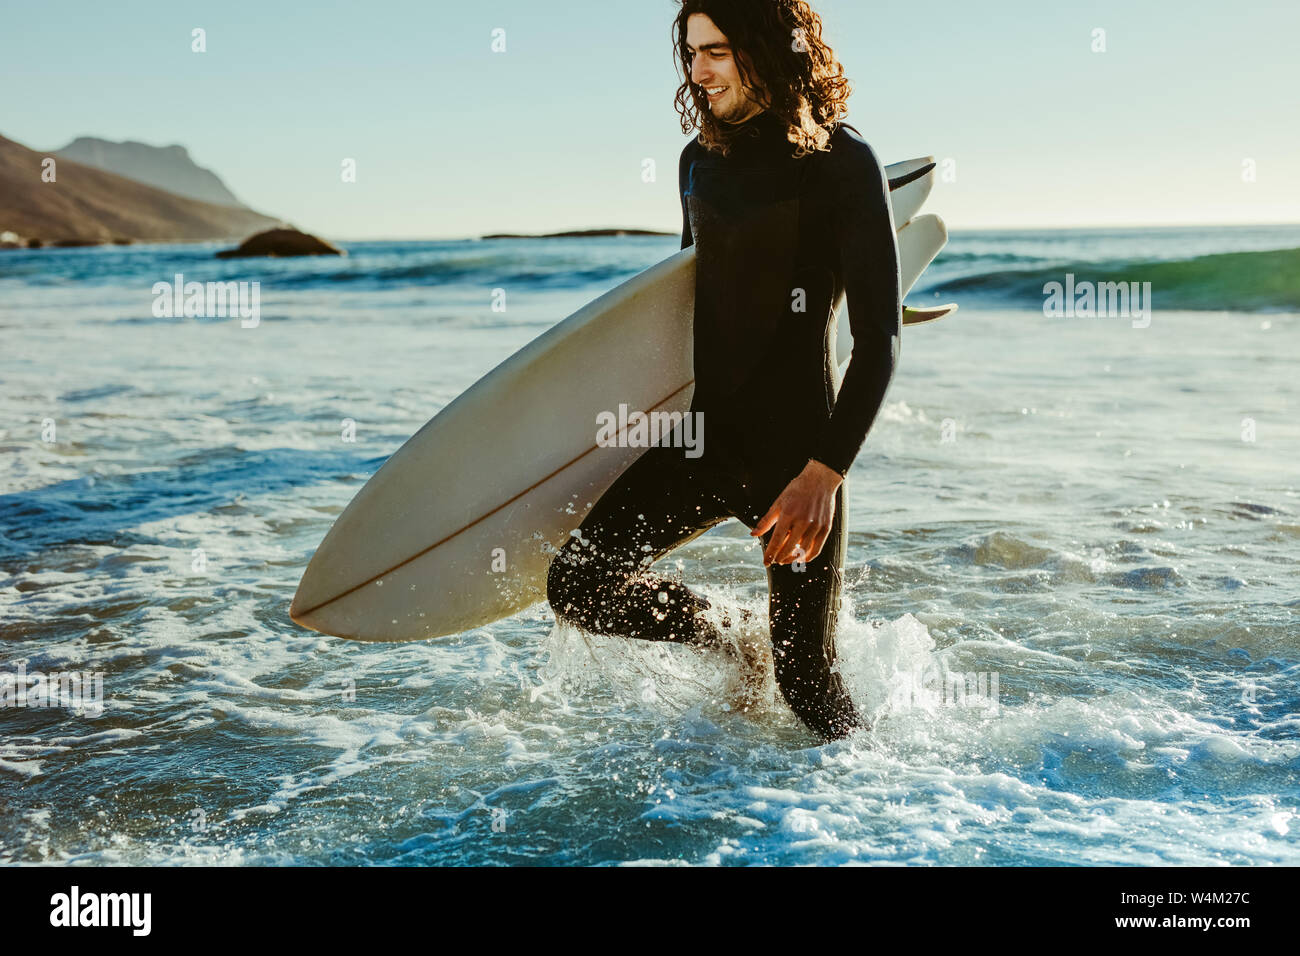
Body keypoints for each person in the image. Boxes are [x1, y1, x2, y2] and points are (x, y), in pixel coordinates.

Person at [546, 0, 901, 741]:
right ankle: (735, 635)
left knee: (807, 684)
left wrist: (823, 475)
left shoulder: (842, 162)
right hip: (705, 439)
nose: (699, 71)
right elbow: (687, 305)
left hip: (795, 462)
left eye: (718, 51)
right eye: (692, 51)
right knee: (579, 584)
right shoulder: (698, 160)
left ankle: (891, 816)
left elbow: (880, 340)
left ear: (769, 48)